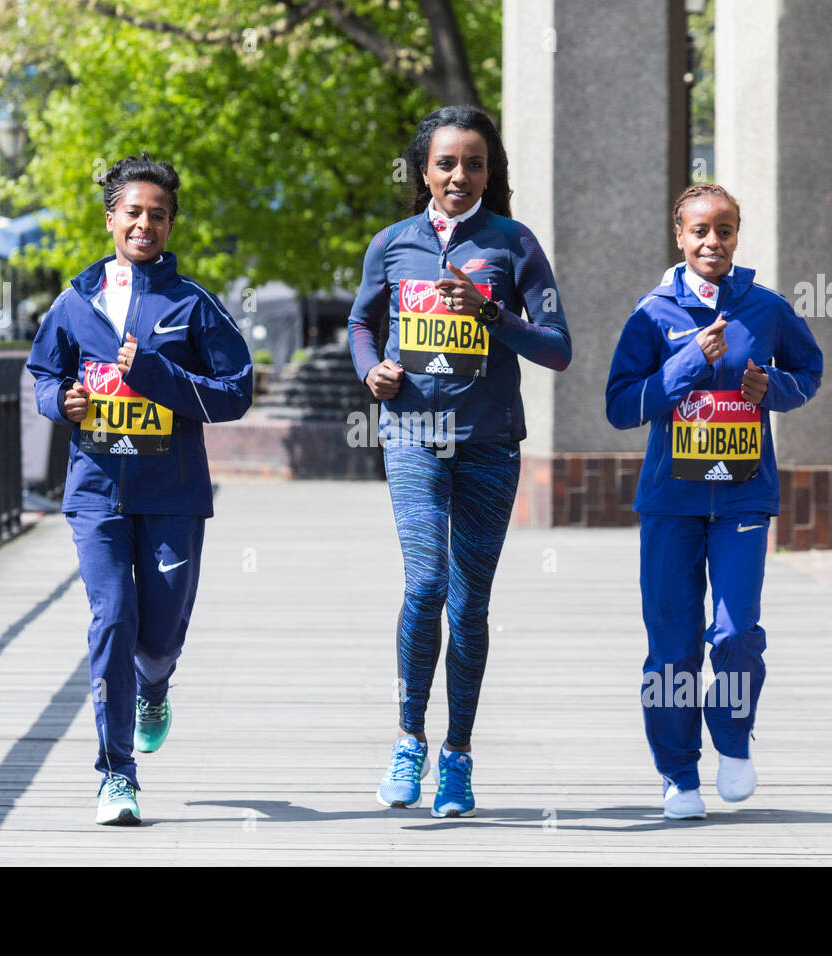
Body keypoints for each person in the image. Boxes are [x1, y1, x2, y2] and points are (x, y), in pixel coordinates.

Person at [347, 105, 571, 817]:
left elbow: (558, 348)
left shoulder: (514, 244)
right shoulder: (392, 243)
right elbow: (360, 322)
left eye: (474, 163)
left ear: (489, 172)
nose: (459, 175)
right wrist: (371, 371)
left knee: (472, 603)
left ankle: (458, 757)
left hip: (488, 440)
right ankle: (408, 738)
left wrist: (490, 312)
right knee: (428, 584)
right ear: (423, 171)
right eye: (446, 162)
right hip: (413, 431)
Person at [27, 153, 253, 825]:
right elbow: (41, 372)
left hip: (171, 493)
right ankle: (115, 775)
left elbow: (236, 392)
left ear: (170, 224)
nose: (145, 223)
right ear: (111, 220)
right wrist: (59, 401)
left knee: (157, 636)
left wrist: (158, 377)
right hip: (95, 490)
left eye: (158, 214)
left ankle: (156, 686)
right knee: (112, 618)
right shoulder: (74, 302)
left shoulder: (193, 304)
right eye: (133, 212)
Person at [604, 183, 822, 820]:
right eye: (700, 230)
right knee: (672, 644)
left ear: (737, 236)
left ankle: (732, 740)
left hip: (742, 500)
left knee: (733, 633)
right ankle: (677, 774)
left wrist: (769, 386)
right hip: (671, 501)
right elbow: (619, 405)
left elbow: (808, 374)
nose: (712, 242)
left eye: (724, 230)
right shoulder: (652, 313)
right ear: (679, 235)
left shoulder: (767, 308)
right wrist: (687, 365)